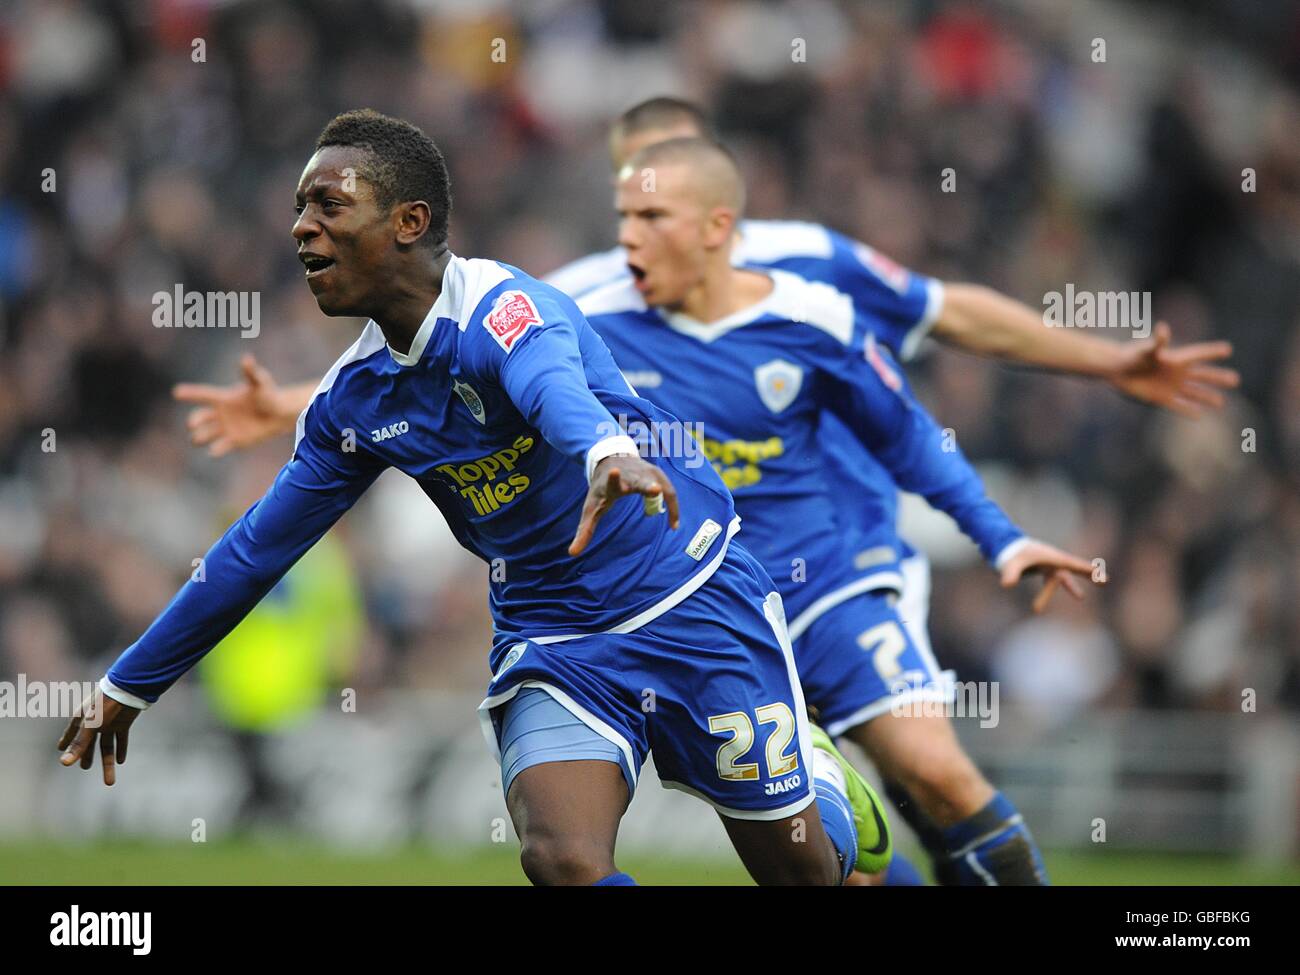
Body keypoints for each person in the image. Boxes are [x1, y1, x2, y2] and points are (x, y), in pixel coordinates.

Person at [171, 98, 1239, 884]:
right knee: (828, 866)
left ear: (712, 206)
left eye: (656, 197)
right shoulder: (584, 287)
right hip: (676, 582)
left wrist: (1101, 365)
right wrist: (299, 410)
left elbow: (946, 312)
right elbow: (441, 361)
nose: (632, 225)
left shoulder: (808, 268)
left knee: (934, 772)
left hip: (823, 571)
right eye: (623, 200)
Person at [57, 109, 888, 887]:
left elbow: (553, 386)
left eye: (327, 204)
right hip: (554, 633)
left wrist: (605, 450)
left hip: (687, 592)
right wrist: (132, 682)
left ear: (409, 223)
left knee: (807, 873)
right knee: (559, 858)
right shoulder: (354, 400)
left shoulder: (504, 309)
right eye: (298, 208)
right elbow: (254, 550)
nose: (301, 227)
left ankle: (820, 776)